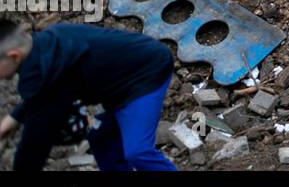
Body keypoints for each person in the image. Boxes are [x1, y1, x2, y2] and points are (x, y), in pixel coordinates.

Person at [0, 20, 177, 172]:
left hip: (146, 73)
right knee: (101, 138)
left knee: (137, 151)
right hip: (122, 80)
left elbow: (36, 142)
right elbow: (42, 97)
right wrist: (14, 117)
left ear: (14, 56)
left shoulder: (48, 68)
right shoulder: (47, 47)